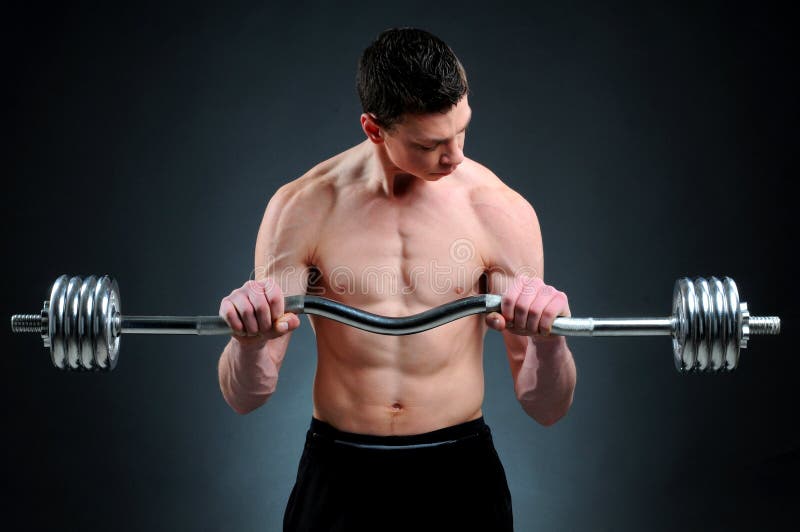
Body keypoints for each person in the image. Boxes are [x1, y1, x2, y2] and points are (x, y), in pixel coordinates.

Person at [217, 28, 576, 532]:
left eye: (462, 131)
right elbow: (246, 396)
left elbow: (546, 407)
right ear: (374, 129)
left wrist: (549, 344)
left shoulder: (499, 212)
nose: (454, 156)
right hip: (339, 470)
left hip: (458, 473)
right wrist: (250, 343)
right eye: (430, 144)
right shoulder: (302, 209)